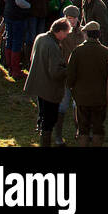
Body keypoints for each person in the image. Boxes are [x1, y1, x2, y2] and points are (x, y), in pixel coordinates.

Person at [24, 17, 70, 146]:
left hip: (39, 84)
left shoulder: (40, 38)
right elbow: (56, 72)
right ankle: (45, 143)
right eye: (66, 33)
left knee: (43, 115)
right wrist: (68, 70)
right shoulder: (53, 46)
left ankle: (43, 138)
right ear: (60, 31)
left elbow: (32, 57)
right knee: (50, 120)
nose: (66, 36)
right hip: (49, 88)